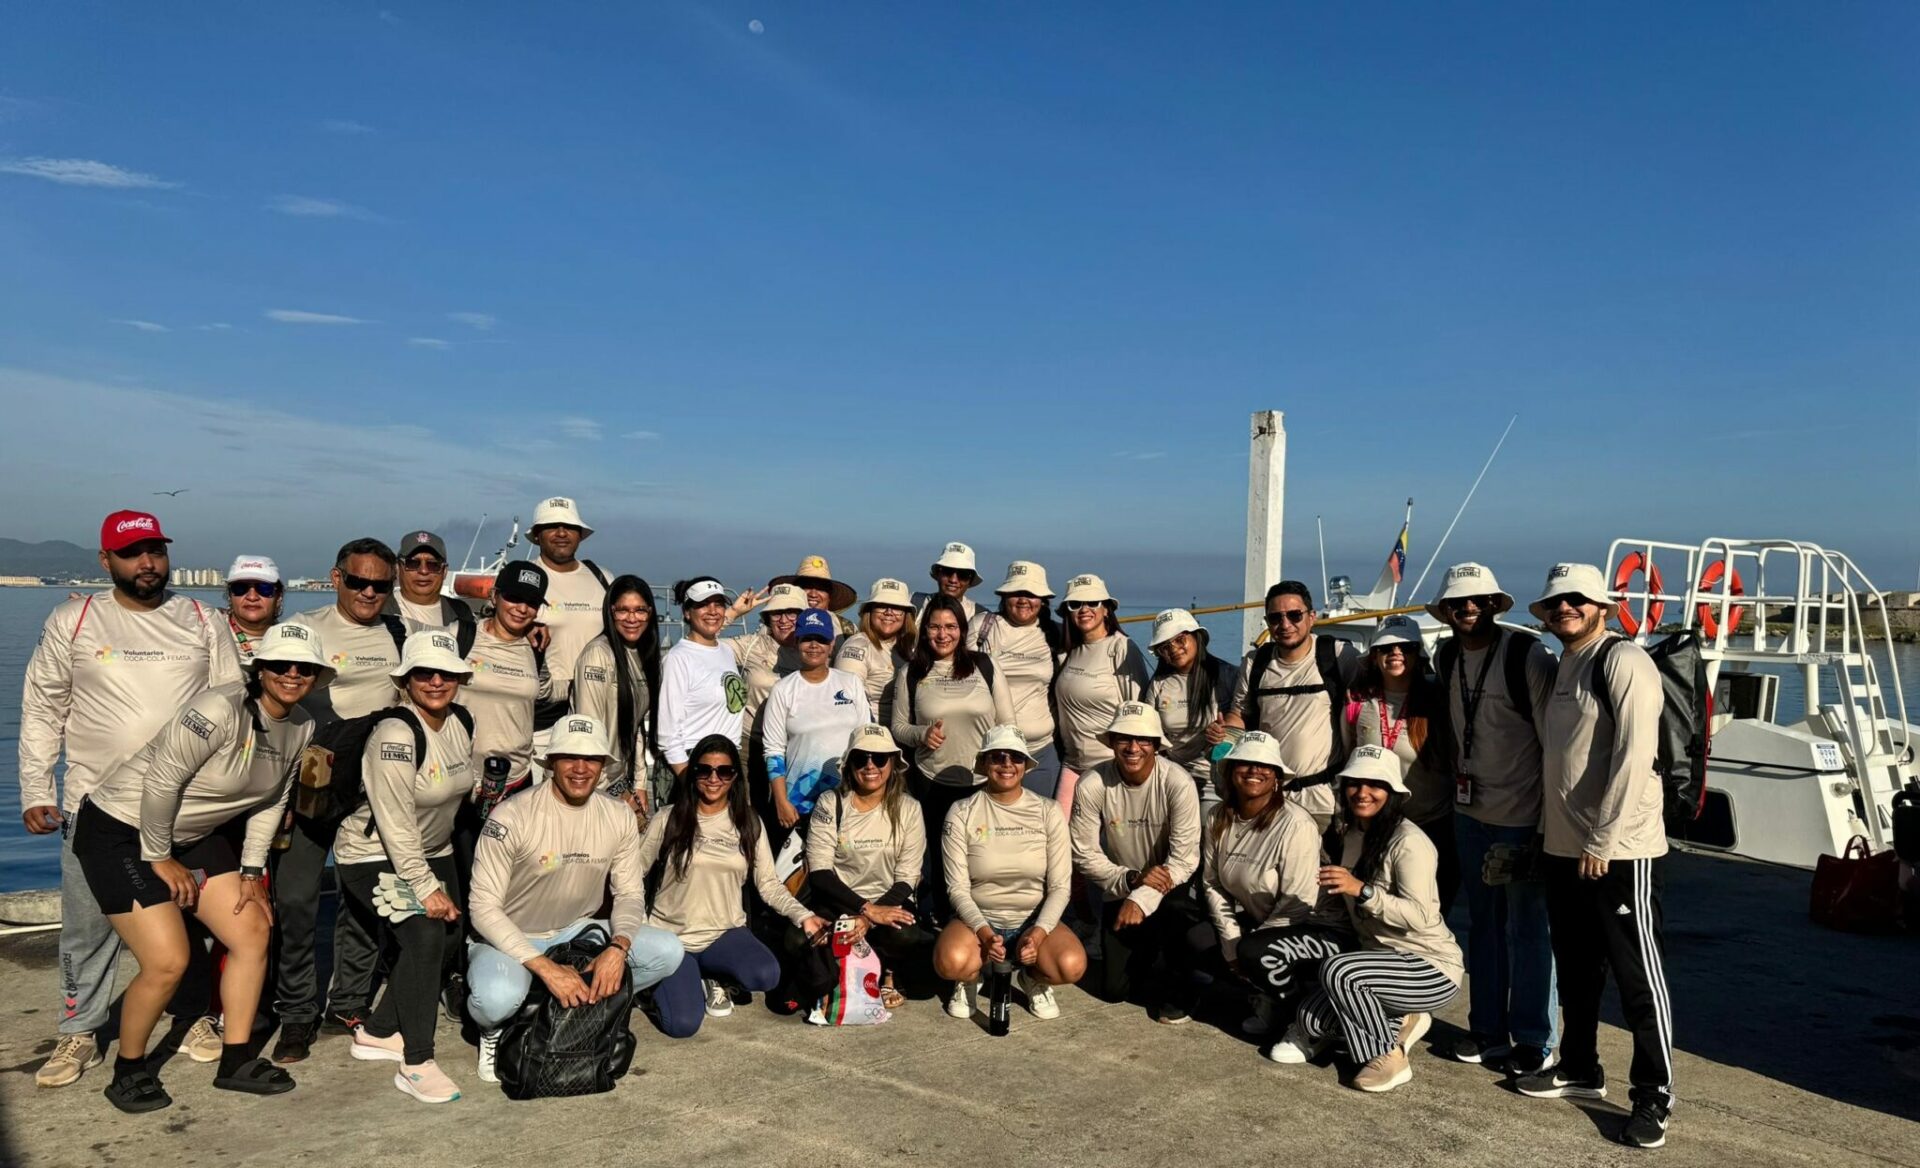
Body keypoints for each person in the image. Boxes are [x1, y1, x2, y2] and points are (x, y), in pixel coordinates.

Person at [19, 510, 243, 1089]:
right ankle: (80, 1029)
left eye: (156, 551)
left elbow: (232, 705)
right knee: (88, 927)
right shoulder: (75, 619)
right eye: (132, 552)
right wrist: (36, 790)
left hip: (186, 807)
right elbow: (44, 709)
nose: (147, 563)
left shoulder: (201, 618)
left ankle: (192, 1016)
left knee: (190, 916)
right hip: (93, 806)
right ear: (106, 561)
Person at [71, 624, 329, 1111]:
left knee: (252, 930)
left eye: (304, 667)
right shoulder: (218, 708)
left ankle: (235, 1060)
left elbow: (271, 801)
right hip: (122, 830)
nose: (292, 674)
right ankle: (128, 1069)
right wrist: (159, 856)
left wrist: (252, 872)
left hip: (190, 836)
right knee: (169, 961)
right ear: (260, 669)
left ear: (316, 675)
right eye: (280, 664)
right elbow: (164, 779)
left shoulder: (301, 726)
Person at [1516, 564, 1674, 1150]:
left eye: (1576, 600)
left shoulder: (1624, 661)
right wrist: (1547, 835)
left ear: (1600, 606)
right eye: (1556, 602)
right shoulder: (1564, 666)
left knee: (1638, 978)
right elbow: (1561, 757)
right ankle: (1580, 1066)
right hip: (1565, 847)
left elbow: (1636, 756)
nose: (1564, 609)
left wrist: (1603, 841)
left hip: (1619, 850)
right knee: (1577, 966)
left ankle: (1653, 1095)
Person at [464, 715, 685, 1085]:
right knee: (496, 999)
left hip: (577, 932)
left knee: (668, 950)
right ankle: (500, 1028)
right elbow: (482, 908)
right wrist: (546, 969)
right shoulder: (511, 815)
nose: (580, 769)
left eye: (592, 758)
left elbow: (630, 894)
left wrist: (618, 947)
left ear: (603, 765)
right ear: (550, 762)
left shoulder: (617, 815)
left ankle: (579, 1005)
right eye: (569, 757)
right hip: (512, 937)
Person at [272, 537, 408, 1063]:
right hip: (309, 783)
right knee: (298, 901)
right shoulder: (308, 628)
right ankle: (295, 1013)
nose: (369, 592)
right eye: (358, 581)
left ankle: (346, 1003)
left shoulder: (399, 631)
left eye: (380, 584)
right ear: (336, 578)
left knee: (361, 901)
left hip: (370, 786)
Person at [332, 630, 476, 1104]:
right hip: (372, 856)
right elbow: (394, 825)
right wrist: (425, 887)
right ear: (406, 680)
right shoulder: (395, 734)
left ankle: (377, 1032)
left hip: (433, 851)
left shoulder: (460, 721)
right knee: (424, 934)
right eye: (423, 673)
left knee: (450, 938)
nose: (436, 681)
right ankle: (417, 1060)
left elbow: (450, 802)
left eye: (446, 673)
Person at [1426, 562, 1558, 1070]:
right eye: (1458, 602)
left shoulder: (1526, 655)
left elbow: (1554, 742)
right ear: (1447, 610)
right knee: (1482, 925)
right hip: (1470, 812)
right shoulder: (1447, 653)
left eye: (1478, 601)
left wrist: (1548, 822)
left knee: (1528, 928)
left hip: (1522, 815)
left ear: (1494, 605)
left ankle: (1535, 1040)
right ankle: (1486, 1030)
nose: (1468, 609)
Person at [1279, 746, 1462, 1094]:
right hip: (1377, 962)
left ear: (1392, 792)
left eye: (1374, 784)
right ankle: (1398, 1019)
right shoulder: (1346, 836)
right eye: (1354, 783)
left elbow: (1421, 917)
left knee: (1340, 972)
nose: (1363, 793)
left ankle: (1387, 1054)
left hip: (1428, 966)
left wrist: (1363, 891)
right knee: (1308, 1016)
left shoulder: (1409, 841)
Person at [638, 735, 828, 1037]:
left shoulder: (748, 823)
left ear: (734, 777)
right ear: (693, 773)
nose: (714, 778)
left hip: (723, 933)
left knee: (766, 975)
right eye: (704, 770)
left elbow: (768, 884)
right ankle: (657, 986)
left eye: (724, 771)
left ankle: (713, 975)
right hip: (672, 940)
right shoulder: (667, 819)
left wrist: (802, 915)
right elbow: (633, 874)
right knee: (682, 1025)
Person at [934, 726, 1085, 1021]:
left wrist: (1039, 933)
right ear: (985, 763)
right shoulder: (961, 810)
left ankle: (1033, 980)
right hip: (977, 922)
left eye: (1015, 757)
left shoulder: (1048, 810)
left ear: (1026, 764)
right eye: (997, 757)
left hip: (1032, 919)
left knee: (1071, 966)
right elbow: (957, 889)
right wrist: (985, 932)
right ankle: (969, 977)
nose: (1007, 764)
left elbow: (1060, 888)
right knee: (950, 963)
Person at [1191, 731, 1334, 1043]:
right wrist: (1231, 945)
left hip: (1313, 927)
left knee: (1254, 951)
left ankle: (1303, 1012)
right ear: (1230, 771)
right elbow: (1212, 883)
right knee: (1197, 939)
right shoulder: (1218, 816)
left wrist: (1249, 947)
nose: (1254, 770)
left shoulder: (1296, 824)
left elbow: (1299, 904)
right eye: (1244, 763)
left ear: (1277, 778)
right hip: (1265, 924)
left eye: (1264, 765)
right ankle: (1264, 990)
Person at [1068, 703, 1201, 1023]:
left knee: (1176, 913)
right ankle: (1150, 952)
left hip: (1172, 888)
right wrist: (1131, 881)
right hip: (1124, 885)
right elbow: (1083, 853)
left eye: (1143, 739)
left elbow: (1184, 860)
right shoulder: (1092, 783)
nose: (1133, 747)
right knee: (1115, 990)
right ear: (1112, 742)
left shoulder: (1178, 782)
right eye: (1123, 738)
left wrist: (1142, 897)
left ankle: (1184, 986)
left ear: (1156, 745)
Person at [889, 594, 1015, 925]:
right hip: (932, 781)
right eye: (934, 627)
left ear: (961, 628)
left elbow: (1008, 725)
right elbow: (899, 727)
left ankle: (991, 925)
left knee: (986, 858)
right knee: (944, 861)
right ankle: (946, 926)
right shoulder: (911, 673)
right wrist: (922, 735)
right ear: (923, 630)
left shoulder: (984, 665)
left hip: (983, 783)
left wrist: (1004, 769)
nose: (942, 634)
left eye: (950, 626)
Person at [799, 725, 925, 1005]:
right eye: (861, 758)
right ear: (849, 765)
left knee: (907, 935)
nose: (870, 766)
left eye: (879, 758)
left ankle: (888, 973)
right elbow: (819, 872)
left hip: (890, 901)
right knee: (796, 941)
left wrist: (870, 917)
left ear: (892, 763)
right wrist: (866, 909)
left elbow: (907, 877)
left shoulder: (909, 808)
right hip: (838, 900)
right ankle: (847, 971)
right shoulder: (830, 802)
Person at [1223, 581, 1361, 829]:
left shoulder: (1338, 656)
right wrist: (1223, 737)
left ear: (1312, 617)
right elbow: (1239, 715)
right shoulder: (1255, 663)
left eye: (1295, 615)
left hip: (1325, 799)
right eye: (1275, 617)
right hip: (1269, 798)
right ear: (1267, 621)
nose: (1285, 625)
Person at [1343, 616, 1456, 910]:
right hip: (1376, 826)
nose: (1395, 654)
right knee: (1377, 907)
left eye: (1405, 647)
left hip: (1431, 824)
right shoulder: (1358, 702)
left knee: (1429, 908)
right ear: (1374, 655)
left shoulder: (1438, 700)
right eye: (1386, 647)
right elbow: (1348, 757)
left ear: (1417, 655)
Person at [762, 609, 872, 851]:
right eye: (808, 639)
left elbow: (865, 740)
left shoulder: (850, 683)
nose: (814, 646)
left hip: (847, 799)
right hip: (798, 804)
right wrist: (781, 801)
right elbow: (773, 751)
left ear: (832, 644)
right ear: (798, 642)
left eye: (821, 639)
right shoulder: (783, 689)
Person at [571, 574, 669, 811]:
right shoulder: (598, 655)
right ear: (610, 612)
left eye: (640, 610)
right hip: (588, 780)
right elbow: (588, 733)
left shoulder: (644, 656)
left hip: (618, 780)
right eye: (623, 610)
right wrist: (611, 792)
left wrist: (639, 784)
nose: (632, 618)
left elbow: (635, 728)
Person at [969, 561, 1066, 798]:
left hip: (1041, 750)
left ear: (1043, 600)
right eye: (1016, 593)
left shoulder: (1056, 634)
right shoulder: (983, 626)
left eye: (1031, 594)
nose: (1023, 600)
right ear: (1005, 596)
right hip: (992, 751)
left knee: (1038, 825)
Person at [527, 497, 611, 744]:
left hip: (600, 699)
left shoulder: (602, 577)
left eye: (569, 527)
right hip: (545, 708)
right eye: (552, 526)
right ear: (538, 535)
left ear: (579, 535)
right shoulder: (526, 578)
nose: (561, 533)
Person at [1147, 608, 1237, 815]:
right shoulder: (1158, 684)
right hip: (1172, 778)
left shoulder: (1228, 676)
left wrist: (1227, 732)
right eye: (1164, 646)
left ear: (1197, 637)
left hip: (1216, 781)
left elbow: (1244, 720)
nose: (1173, 649)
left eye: (1180, 639)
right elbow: (1151, 735)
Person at [656, 577, 750, 776]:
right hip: (692, 764)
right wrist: (688, 778)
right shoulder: (678, 658)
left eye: (718, 604)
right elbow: (668, 734)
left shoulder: (725, 651)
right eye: (703, 604)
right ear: (687, 613)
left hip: (726, 763)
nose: (713, 611)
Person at [833, 578, 916, 726]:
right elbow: (845, 702)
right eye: (882, 606)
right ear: (869, 612)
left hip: (905, 733)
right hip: (871, 734)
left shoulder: (910, 648)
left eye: (897, 607)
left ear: (906, 615)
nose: (889, 613)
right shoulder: (858, 646)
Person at [386, 530, 477, 646]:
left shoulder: (461, 613)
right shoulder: (380, 609)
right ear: (398, 568)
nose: (423, 571)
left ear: (444, 571)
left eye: (433, 565)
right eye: (413, 563)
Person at [770, 554, 858, 637]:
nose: (813, 594)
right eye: (807, 586)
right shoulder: (776, 625)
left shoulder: (847, 629)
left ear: (829, 595)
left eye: (821, 588)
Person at [220, 555, 284, 662]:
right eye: (240, 588)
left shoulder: (289, 640)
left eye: (264, 589)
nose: (252, 597)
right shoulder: (211, 631)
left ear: (278, 597)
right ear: (230, 596)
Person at [915, 541, 983, 623]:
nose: (953, 580)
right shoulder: (914, 604)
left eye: (963, 574)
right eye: (947, 571)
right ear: (938, 574)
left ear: (970, 580)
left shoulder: (981, 617)